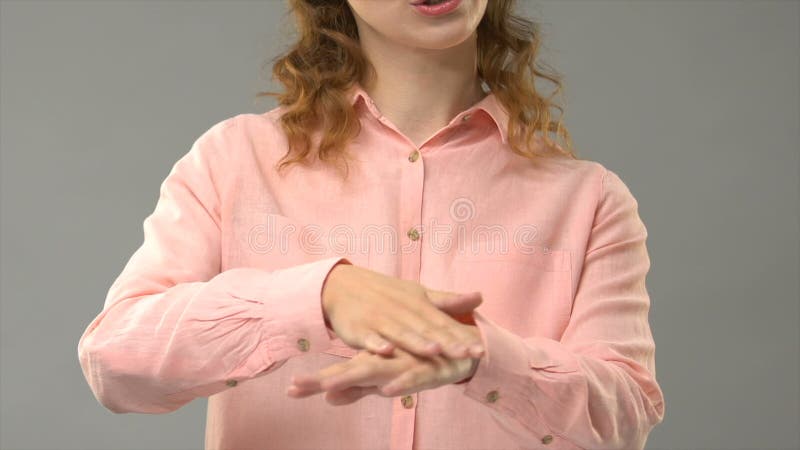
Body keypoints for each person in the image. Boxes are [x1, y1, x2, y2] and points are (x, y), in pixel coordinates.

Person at [77, 0, 666, 449]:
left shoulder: (589, 199)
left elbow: (626, 416)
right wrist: (318, 296)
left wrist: (488, 358)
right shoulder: (234, 160)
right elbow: (115, 362)